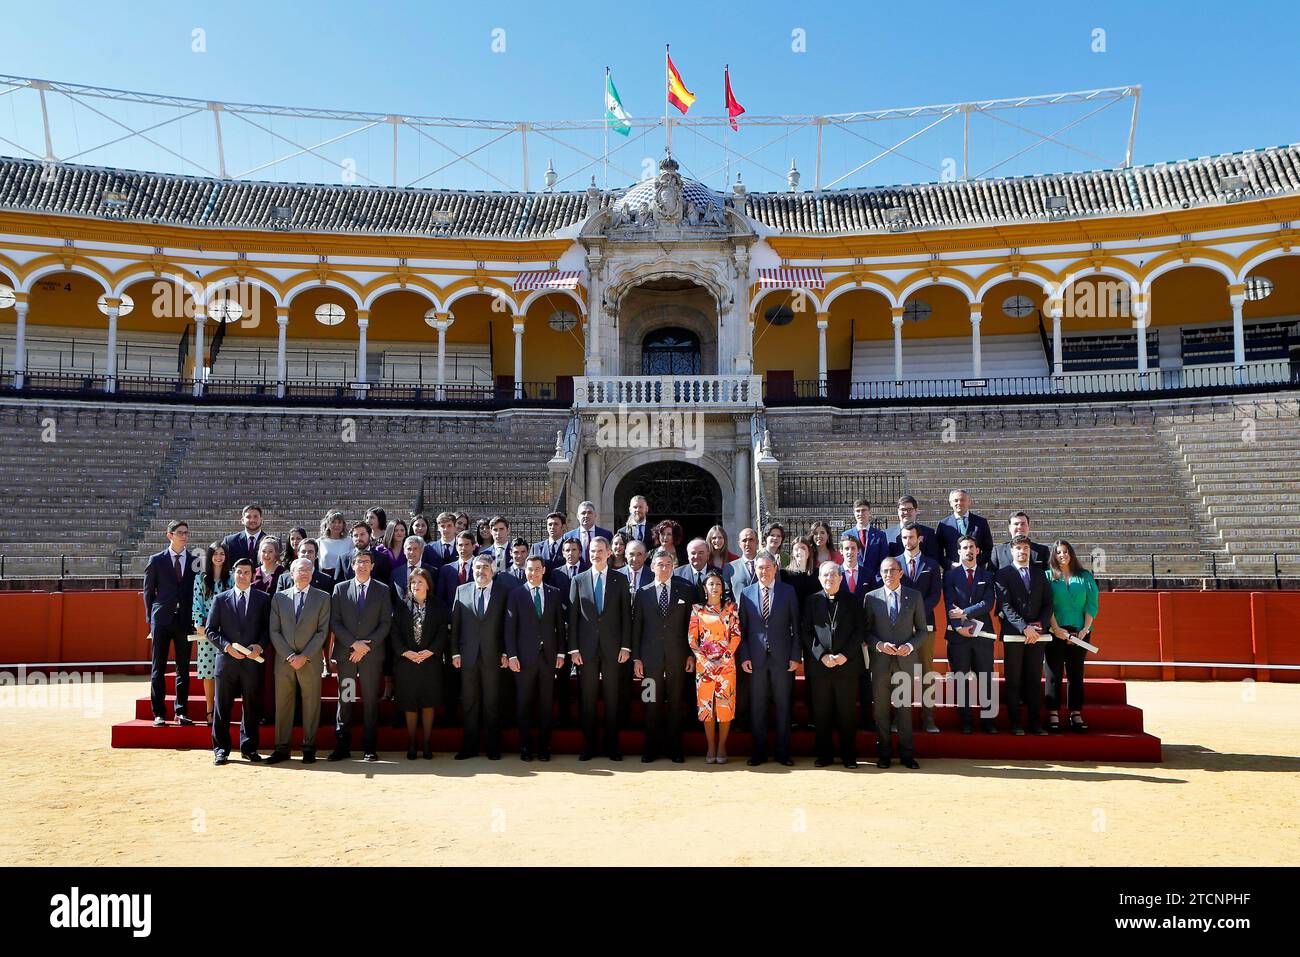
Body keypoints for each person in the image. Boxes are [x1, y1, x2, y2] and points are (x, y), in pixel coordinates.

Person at [567, 537, 630, 761]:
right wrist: (573, 648)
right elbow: (572, 617)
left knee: (612, 698)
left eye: (600, 551)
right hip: (586, 649)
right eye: (592, 551)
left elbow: (626, 616)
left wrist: (625, 645)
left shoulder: (620, 580)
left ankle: (612, 746)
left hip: (614, 648)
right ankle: (589, 746)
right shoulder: (578, 580)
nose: (596, 554)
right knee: (588, 699)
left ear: (609, 552)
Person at [631, 548, 694, 763]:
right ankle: (651, 749)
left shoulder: (684, 590)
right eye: (660, 565)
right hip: (650, 660)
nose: (664, 568)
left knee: (676, 703)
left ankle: (675, 749)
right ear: (652, 567)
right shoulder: (643, 592)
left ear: (673, 566)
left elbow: (689, 627)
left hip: (677, 658)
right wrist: (637, 658)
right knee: (651, 703)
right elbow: (636, 627)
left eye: (668, 564)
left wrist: (689, 655)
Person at [862, 557, 926, 769]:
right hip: (880, 663)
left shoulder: (914, 596)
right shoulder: (871, 598)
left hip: (905, 662)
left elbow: (923, 631)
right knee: (880, 711)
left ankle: (907, 755)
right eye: (884, 571)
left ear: (901, 573)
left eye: (892, 570)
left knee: (904, 710)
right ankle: (884, 754)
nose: (888, 574)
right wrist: (879, 644)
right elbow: (866, 631)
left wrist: (910, 646)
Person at [329, 549, 392, 762]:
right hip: (347, 657)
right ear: (352, 565)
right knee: (346, 699)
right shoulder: (340, 589)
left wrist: (366, 647)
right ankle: (342, 746)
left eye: (366, 562)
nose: (363, 565)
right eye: (359, 562)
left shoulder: (382, 590)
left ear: (372, 566)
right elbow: (335, 621)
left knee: (370, 701)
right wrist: (353, 645)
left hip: (371, 657)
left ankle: (369, 747)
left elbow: (385, 623)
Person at [266, 558, 331, 764]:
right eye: (300, 570)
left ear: (313, 573)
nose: (304, 573)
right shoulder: (279, 598)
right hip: (284, 661)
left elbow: (322, 632)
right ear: (291, 574)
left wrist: (304, 655)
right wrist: (289, 655)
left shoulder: (323, 598)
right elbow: (274, 631)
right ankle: (282, 748)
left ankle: (309, 747)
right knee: (283, 704)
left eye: (308, 570)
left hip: (309, 661)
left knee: (311, 703)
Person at [737, 554, 801, 766]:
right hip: (755, 659)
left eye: (767, 568)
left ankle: (783, 752)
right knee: (758, 706)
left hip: (782, 658)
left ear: (775, 568)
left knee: (783, 706)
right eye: (760, 568)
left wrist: (795, 655)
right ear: (755, 570)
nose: (763, 572)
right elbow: (742, 630)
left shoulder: (788, 592)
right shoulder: (746, 594)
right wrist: (744, 655)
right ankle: (759, 752)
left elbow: (796, 627)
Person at [205, 558, 269, 765]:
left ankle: (249, 748)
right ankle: (221, 749)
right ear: (233, 573)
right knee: (222, 707)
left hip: (252, 662)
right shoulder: (220, 599)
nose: (243, 576)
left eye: (247, 572)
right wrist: (227, 647)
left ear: (252, 575)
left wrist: (259, 646)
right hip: (227, 663)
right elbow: (210, 630)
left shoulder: (263, 599)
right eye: (239, 572)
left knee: (251, 707)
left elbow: (267, 629)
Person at [801, 561, 865, 768]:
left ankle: (849, 756)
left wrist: (845, 655)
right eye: (825, 576)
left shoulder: (853, 601)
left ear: (841, 578)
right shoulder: (811, 601)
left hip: (847, 665)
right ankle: (824, 755)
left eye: (833, 575)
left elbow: (859, 631)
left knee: (846, 713)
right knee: (822, 713)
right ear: (820, 579)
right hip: (820, 667)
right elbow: (806, 631)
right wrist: (822, 656)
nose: (829, 579)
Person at [505, 556, 565, 761]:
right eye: (530, 569)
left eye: (537, 569)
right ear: (525, 571)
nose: (533, 573)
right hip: (523, 659)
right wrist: (511, 655)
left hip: (548, 658)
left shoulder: (554, 593)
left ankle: (544, 747)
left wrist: (560, 652)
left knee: (546, 705)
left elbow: (560, 625)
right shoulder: (516, 594)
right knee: (524, 704)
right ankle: (525, 746)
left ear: (544, 570)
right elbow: (509, 628)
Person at [450, 555, 510, 760]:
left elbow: (507, 626)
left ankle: (493, 748)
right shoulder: (461, 590)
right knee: (470, 703)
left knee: (492, 703)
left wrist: (505, 652)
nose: (481, 571)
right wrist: (455, 652)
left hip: (493, 656)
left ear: (493, 571)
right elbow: (455, 625)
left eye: (485, 567)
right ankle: (470, 747)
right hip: (468, 656)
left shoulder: (504, 593)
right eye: (477, 567)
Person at [995, 535, 1055, 735]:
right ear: (1012, 551)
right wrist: (1024, 627)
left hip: (1037, 635)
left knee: (1033, 679)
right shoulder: (1003, 573)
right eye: (1018, 548)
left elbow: (1048, 604)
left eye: (1026, 548)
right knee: (1013, 680)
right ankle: (1015, 723)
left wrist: (1038, 626)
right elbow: (1005, 605)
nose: (1022, 551)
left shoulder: (1041, 574)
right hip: (1014, 634)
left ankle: (1035, 724)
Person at [143, 520, 198, 727]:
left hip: (184, 621)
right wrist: (151, 621)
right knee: (158, 667)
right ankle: (159, 713)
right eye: (179, 532)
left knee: (183, 667)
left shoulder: (195, 560)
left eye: (186, 532)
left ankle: (181, 711)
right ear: (170, 535)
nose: (184, 536)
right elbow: (148, 593)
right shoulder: (156, 560)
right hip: (161, 620)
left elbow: (198, 591)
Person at [943, 534, 998, 734]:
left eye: (971, 547)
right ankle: (965, 720)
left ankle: (989, 721)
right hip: (958, 636)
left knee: (986, 678)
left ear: (978, 550)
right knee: (961, 679)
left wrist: (965, 613)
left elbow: (988, 603)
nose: (968, 550)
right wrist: (958, 626)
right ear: (958, 552)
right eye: (964, 547)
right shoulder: (949, 576)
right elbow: (949, 604)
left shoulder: (987, 576)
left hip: (983, 635)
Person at [392, 567, 449, 759]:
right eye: (413, 582)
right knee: (410, 704)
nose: (416, 585)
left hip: (429, 663)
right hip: (407, 664)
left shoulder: (438, 606)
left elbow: (443, 631)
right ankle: (412, 743)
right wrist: (406, 652)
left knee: (427, 703)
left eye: (420, 582)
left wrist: (430, 651)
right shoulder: (401, 606)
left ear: (428, 584)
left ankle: (426, 742)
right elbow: (395, 633)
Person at [1045, 540, 1099, 733]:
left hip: (1080, 632)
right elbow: (1047, 606)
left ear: (1071, 554)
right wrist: (1056, 629)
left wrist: (1085, 629)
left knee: (1076, 674)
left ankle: (1075, 712)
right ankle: (1052, 713)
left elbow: (1091, 604)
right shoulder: (1048, 577)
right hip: (1055, 631)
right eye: (1058, 552)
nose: (1062, 555)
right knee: (1054, 673)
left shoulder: (1085, 576)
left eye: (1066, 551)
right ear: (1054, 555)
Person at [688, 570, 742, 764]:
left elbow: (736, 635)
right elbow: (692, 639)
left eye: (718, 584)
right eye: (711, 584)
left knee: (725, 707)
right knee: (707, 707)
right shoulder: (697, 610)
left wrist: (724, 658)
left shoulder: (731, 608)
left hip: (726, 666)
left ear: (722, 587)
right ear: (705, 587)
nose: (714, 587)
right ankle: (711, 745)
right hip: (705, 667)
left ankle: (722, 746)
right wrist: (707, 661)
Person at [897, 522, 942, 734]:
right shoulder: (894, 563)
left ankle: (928, 719)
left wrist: (917, 612)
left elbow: (935, 594)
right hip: (899, 626)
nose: (908, 541)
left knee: (926, 672)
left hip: (926, 624)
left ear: (920, 538)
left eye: (911, 537)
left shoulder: (932, 565)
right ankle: (899, 718)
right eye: (904, 538)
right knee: (900, 673)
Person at [191, 541, 231, 726]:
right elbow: (197, 603)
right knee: (208, 673)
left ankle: (222, 711)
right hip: (206, 633)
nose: (219, 557)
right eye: (215, 553)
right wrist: (199, 624)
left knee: (224, 673)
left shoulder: (230, 578)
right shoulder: (200, 578)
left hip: (225, 634)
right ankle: (209, 711)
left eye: (222, 553)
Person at [937, 489, 995, 569]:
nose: (959, 503)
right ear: (950, 503)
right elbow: (937, 551)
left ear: (969, 502)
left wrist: (974, 563)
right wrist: (951, 564)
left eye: (962, 500)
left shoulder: (981, 522)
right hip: (953, 573)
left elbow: (988, 549)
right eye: (956, 500)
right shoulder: (943, 524)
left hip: (976, 571)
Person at [842, 500, 888, 580]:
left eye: (863, 510)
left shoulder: (880, 535)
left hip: (874, 581)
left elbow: (884, 560)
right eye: (857, 511)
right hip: (854, 580)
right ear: (854, 513)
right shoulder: (846, 535)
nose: (860, 514)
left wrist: (878, 578)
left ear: (869, 512)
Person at [885, 495, 939, 561]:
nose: (906, 512)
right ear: (898, 512)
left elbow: (933, 559)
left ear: (916, 510)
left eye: (909, 509)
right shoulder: (886, 534)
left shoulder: (928, 533)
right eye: (903, 509)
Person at [675, 537, 729, 602]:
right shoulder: (677, 574)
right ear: (688, 555)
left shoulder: (719, 573)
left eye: (700, 553)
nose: (696, 556)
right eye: (693, 553)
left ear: (708, 554)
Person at [436, 531, 480, 607]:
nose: (463, 548)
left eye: (467, 545)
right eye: (460, 545)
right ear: (456, 547)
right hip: (451, 615)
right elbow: (440, 597)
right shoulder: (446, 569)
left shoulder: (481, 568)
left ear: (473, 546)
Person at [391, 535, 434, 601]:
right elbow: (392, 597)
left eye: (415, 549)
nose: (412, 552)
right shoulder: (396, 573)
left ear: (421, 551)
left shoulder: (432, 571)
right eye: (409, 549)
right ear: (404, 551)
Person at [316, 509, 353, 580]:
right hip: (325, 578)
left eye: (339, 522)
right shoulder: (320, 542)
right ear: (327, 524)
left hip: (344, 578)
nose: (337, 525)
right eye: (333, 522)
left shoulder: (349, 541)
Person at [724, 527, 761, 594]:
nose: (747, 544)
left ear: (757, 542)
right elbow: (726, 594)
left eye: (751, 539)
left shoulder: (767, 565)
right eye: (744, 540)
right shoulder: (730, 567)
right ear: (739, 544)